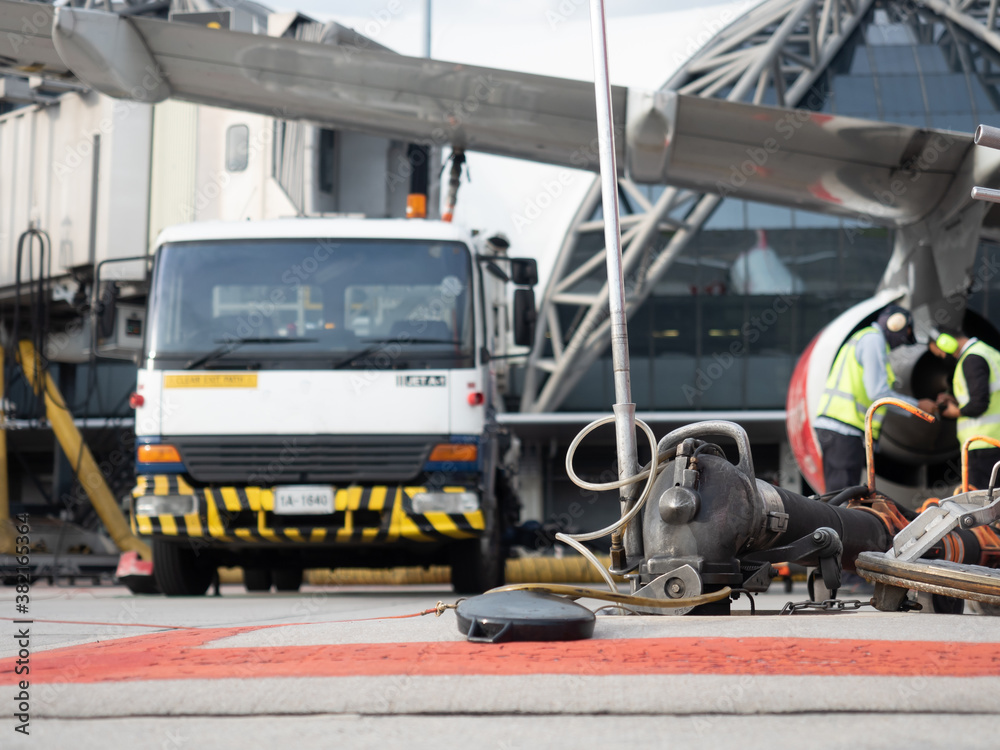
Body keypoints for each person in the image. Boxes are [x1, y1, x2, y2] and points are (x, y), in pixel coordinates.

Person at [814, 305, 937, 492]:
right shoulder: (873, 340)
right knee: (841, 497)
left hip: (841, 429)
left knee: (840, 494)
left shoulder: (867, 338)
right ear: (895, 325)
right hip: (844, 429)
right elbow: (878, 393)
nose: (901, 343)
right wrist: (917, 407)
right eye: (905, 335)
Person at [929, 328, 1000, 490]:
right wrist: (953, 400)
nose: (942, 357)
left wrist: (956, 412)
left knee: (984, 504)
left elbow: (979, 403)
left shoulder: (972, 359)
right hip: (993, 442)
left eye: (939, 353)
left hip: (983, 444)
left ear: (946, 342)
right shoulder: (989, 353)